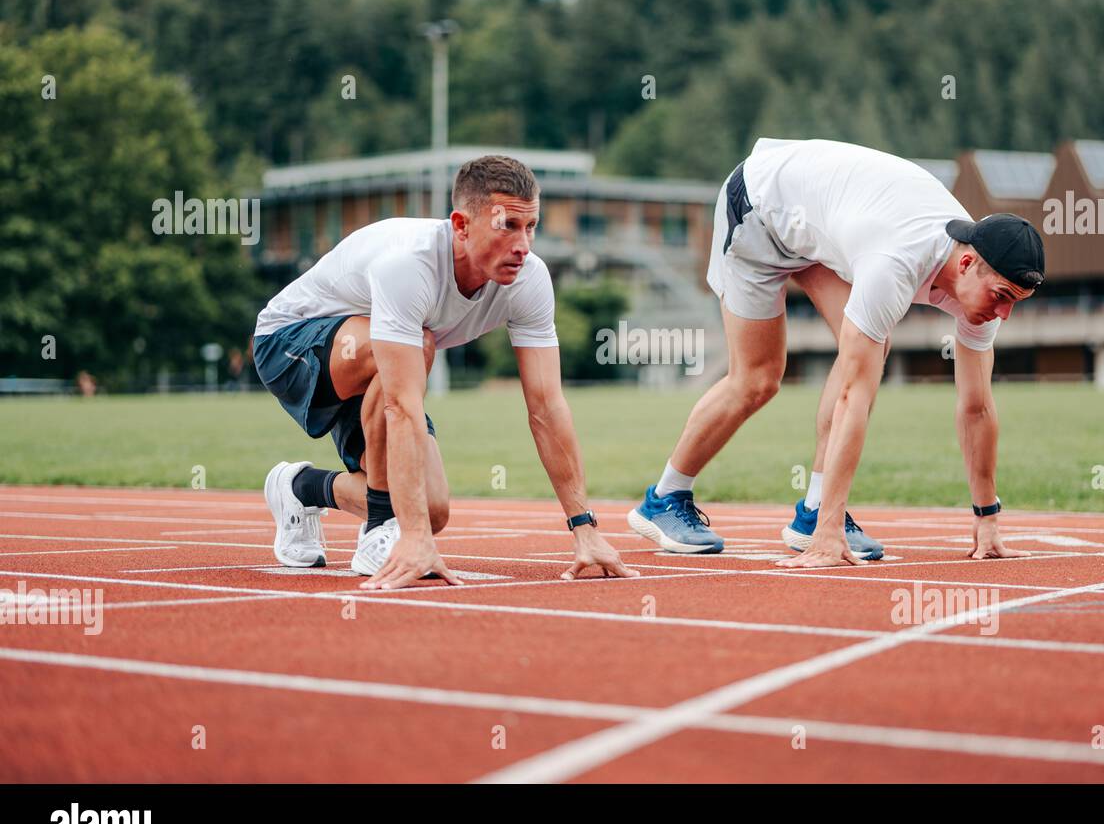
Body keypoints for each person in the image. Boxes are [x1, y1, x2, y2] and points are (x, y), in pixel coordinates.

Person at [627, 138, 1046, 566]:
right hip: (760, 208)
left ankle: (814, 510)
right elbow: (853, 396)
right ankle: (665, 497)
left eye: (1016, 301)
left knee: (871, 346)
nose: (1005, 314)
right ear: (964, 265)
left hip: (820, 224)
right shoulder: (894, 264)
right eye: (1001, 297)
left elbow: (975, 406)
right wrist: (830, 538)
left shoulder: (983, 275)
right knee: (758, 378)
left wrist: (987, 517)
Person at [252, 155, 637, 589]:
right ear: (461, 225)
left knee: (431, 509)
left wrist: (585, 529)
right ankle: (381, 528)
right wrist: (410, 536)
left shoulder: (529, 279)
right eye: (507, 225)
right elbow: (401, 405)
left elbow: (547, 406)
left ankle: (300, 487)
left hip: (386, 364)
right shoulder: (408, 264)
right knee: (419, 346)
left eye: (531, 227)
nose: (523, 245)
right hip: (291, 343)